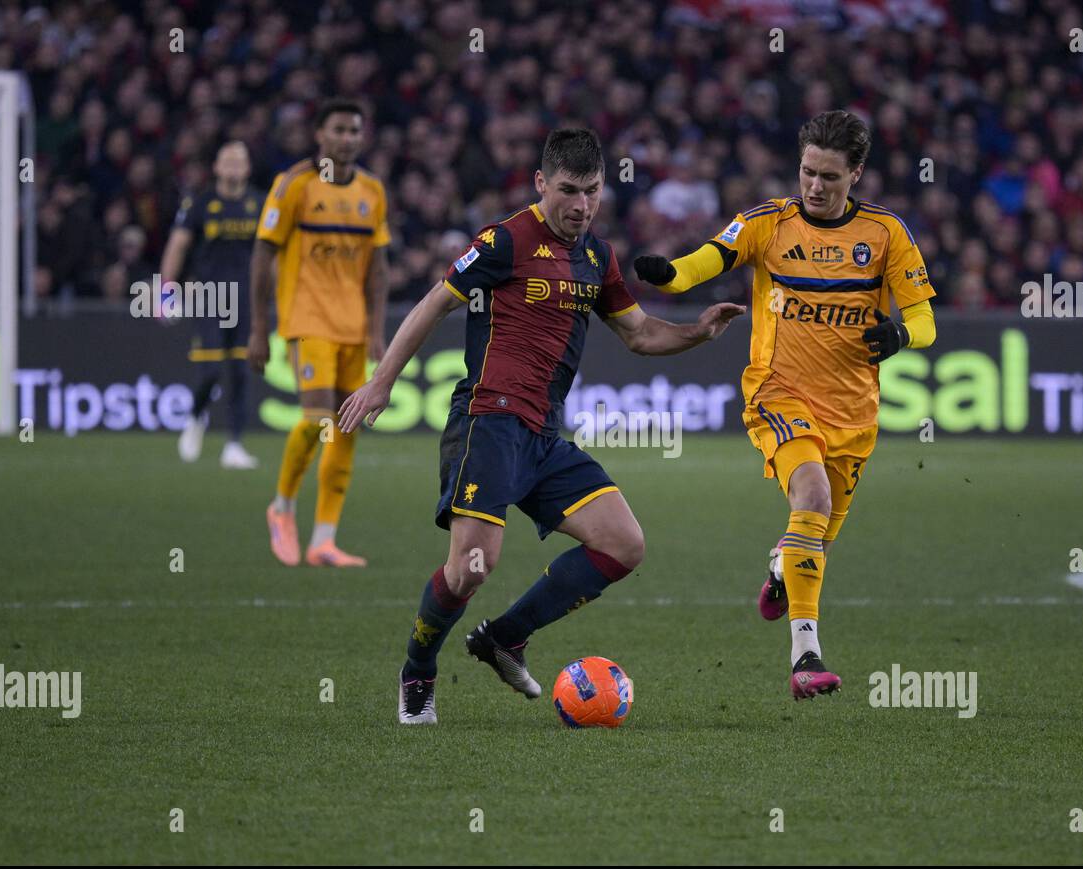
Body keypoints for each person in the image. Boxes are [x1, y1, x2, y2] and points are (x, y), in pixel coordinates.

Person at [337, 128, 744, 725]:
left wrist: (697, 332)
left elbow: (638, 334)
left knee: (624, 543)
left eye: (593, 192)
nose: (580, 206)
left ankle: (507, 637)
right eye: (568, 191)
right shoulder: (505, 239)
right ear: (540, 184)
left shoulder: (597, 256)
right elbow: (433, 303)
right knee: (472, 567)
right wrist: (382, 381)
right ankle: (418, 671)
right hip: (489, 421)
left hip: (544, 436)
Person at [634, 110, 936, 700]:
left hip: (854, 414)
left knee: (814, 539)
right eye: (806, 172)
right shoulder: (767, 224)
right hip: (779, 394)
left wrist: (900, 336)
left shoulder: (886, 234)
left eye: (828, 176)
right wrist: (669, 276)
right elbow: (706, 261)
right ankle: (805, 657)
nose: (815, 187)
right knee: (813, 497)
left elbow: (924, 318)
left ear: (856, 174)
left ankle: (780, 568)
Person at [248, 99, 389, 568]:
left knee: (345, 430)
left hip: (352, 326)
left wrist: (375, 328)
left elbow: (379, 267)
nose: (348, 138)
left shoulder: (372, 191)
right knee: (317, 420)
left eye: (354, 130)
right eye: (339, 129)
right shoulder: (294, 186)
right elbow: (263, 256)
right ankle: (282, 506)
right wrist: (259, 326)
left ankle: (324, 540)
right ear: (319, 135)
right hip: (306, 321)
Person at [162, 141, 262, 468]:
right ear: (217, 167)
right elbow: (178, 245)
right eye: (227, 160)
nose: (233, 166)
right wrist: (167, 289)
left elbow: (272, 253)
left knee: (240, 372)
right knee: (211, 371)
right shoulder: (201, 204)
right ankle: (194, 417)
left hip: (247, 300)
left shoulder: (259, 204)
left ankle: (233, 445)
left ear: (247, 168)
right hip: (209, 297)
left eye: (239, 161)